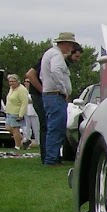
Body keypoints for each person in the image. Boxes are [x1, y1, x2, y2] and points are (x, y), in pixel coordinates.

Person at [27, 44, 83, 156]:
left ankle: (50, 155)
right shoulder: (53, 59)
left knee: (51, 125)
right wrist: (43, 90)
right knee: (48, 125)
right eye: (76, 56)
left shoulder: (60, 61)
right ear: (70, 51)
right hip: (42, 95)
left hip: (48, 94)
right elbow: (30, 74)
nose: (77, 60)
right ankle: (48, 156)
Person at [38, 32, 78, 166]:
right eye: (71, 45)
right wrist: (63, 89)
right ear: (66, 44)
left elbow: (43, 75)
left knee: (53, 127)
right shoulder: (57, 55)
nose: (71, 48)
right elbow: (55, 70)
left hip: (50, 95)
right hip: (55, 95)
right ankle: (51, 159)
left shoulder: (49, 53)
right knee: (56, 128)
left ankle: (52, 157)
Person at [3, 74, 31, 151]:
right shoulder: (11, 88)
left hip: (16, 112)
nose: (11, 83)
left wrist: (21, 115)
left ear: (17, 81)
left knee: (16, 130)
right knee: (8, 127)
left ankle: (17, 146)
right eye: (10, 81)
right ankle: (25, 140)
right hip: (9, 111)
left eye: (13, 81)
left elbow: (24, 103)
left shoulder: (22, 90)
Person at [21, 79, 40, 148]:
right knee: (26, 129)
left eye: (28, 82)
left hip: (34, 112)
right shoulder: (22, 90)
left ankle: (39, 143)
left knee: (36, 129)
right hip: (25, 111)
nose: (26, 83)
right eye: (25, 81)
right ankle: (26, 143)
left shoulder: (34, 91)